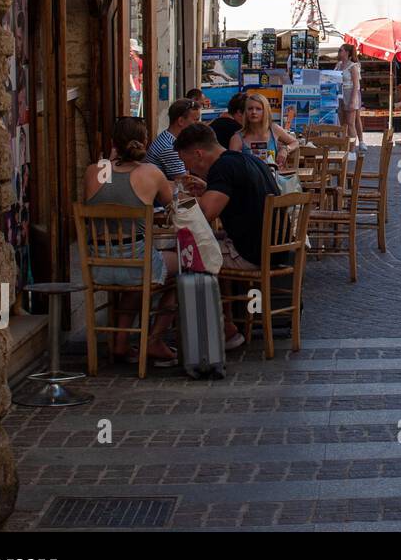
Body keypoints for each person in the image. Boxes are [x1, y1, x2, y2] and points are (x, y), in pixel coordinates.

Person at [174, 121, 282, 350]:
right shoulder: (244, 159)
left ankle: (219, 331)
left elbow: (205, 214)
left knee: (187, 259)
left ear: (199, 154)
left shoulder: (222, 169)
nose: (188, 170)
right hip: (275, 249)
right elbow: (235, 195)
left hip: (250, 253)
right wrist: (208, 189)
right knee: (210, 248)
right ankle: (229, 325)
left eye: (186, 162)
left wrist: (179, 203)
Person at [84, 117, 180, 366]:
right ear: (145, 141)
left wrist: (112, 155)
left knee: (138, 269)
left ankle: (121, 342)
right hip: (136, 266)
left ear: (113, 142)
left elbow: (109, 188)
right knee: (183, 265)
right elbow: (174, 206)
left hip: (100, 266)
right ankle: (155, 340)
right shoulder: (150, 173)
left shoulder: (97, 170)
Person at [230, 91, 299, 169]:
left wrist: (285, 149)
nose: (254, 112)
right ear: (245, 112)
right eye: (250, 109)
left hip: (273, 178)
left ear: (265, 111)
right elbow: (233, 167)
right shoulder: (237, 138)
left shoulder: (274, 129)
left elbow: (295, 142)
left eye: (258, 109)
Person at [145, 98, 203, 185]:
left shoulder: (169, 138)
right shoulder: (170, 148)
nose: (199, 124)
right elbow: (185, 185)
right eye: (196, 120)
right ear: (181, 121)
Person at [337, 44, 366, 154]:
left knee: (350, 122)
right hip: (340, 94)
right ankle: (345, 147)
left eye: (341, 50)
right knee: (343, 123)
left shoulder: (353, 66)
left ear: (347, 52)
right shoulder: (339, 65)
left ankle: (352, 149)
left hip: (350, 93)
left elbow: (356, 85)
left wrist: (354, 99)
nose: (339, 52)